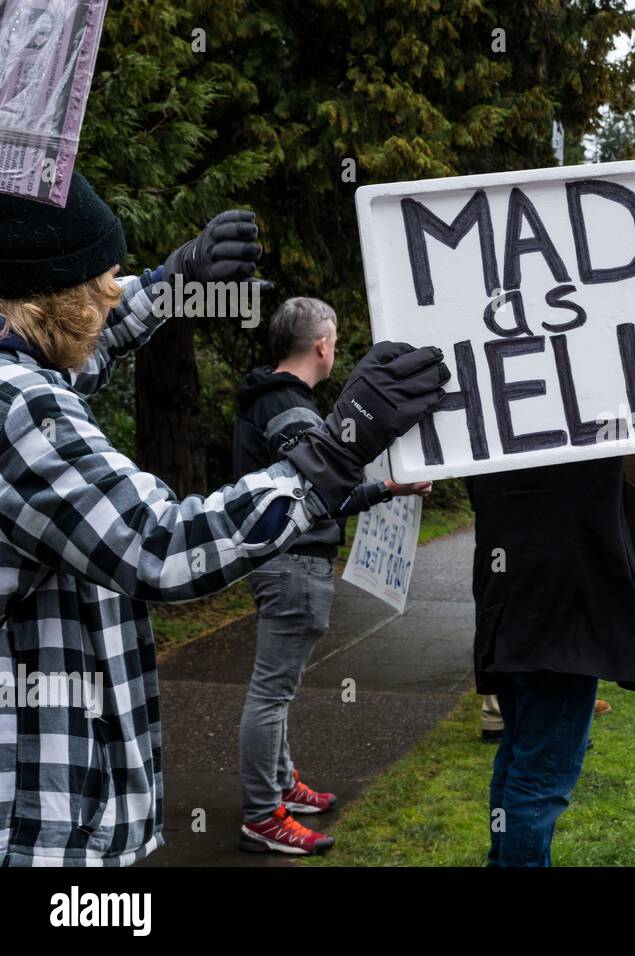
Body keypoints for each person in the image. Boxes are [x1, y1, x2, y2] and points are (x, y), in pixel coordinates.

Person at [0, 174, 450, 866]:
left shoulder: (22, 370)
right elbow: (164, 546)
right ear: (50, 296)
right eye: (104, 281)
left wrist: (175, 281)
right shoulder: (18, 405)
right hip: (43, 831)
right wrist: (333, 453)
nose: (116, 293)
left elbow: (87, 351)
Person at [231, 297, 431, 855]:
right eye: (336, 339)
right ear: (322, 345)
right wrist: (384, 488)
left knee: (280, 688)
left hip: (281, 561)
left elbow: (315, 489)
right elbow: (321, 495)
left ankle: (281, 785)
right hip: (292, 563)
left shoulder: (272, 399)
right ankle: (261, 816)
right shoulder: (292, 410)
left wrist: (389, 488)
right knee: (271, 693)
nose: (336, 348)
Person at [467, 454, 635, 866]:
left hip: (510, 604)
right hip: (563, 614)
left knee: (520, 757)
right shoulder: (582, 430)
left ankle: (503, 860)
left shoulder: (490, 436)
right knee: (538, 774)